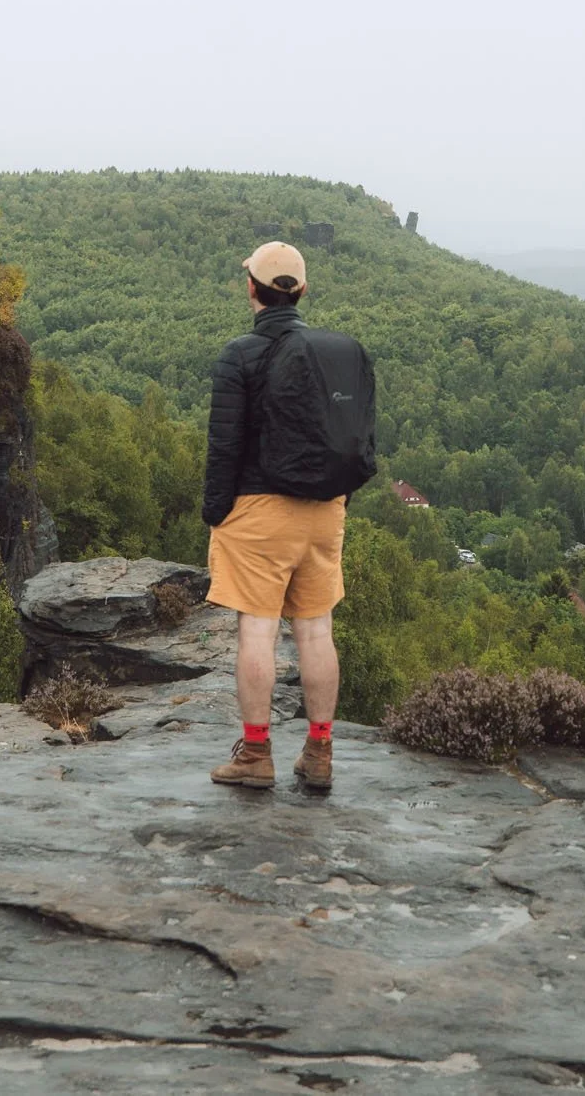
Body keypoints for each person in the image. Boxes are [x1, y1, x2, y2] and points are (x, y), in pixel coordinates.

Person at [203, 240, 375, 792]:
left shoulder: (239, 355)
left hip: (259, 512)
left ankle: (256, 755)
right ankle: (319, 751)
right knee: (316, 629)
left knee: (257, 630)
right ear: (301, 291)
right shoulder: (331, 354)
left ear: (250, 287)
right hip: (326, 511)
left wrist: (216, 513)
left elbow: (223, 446)